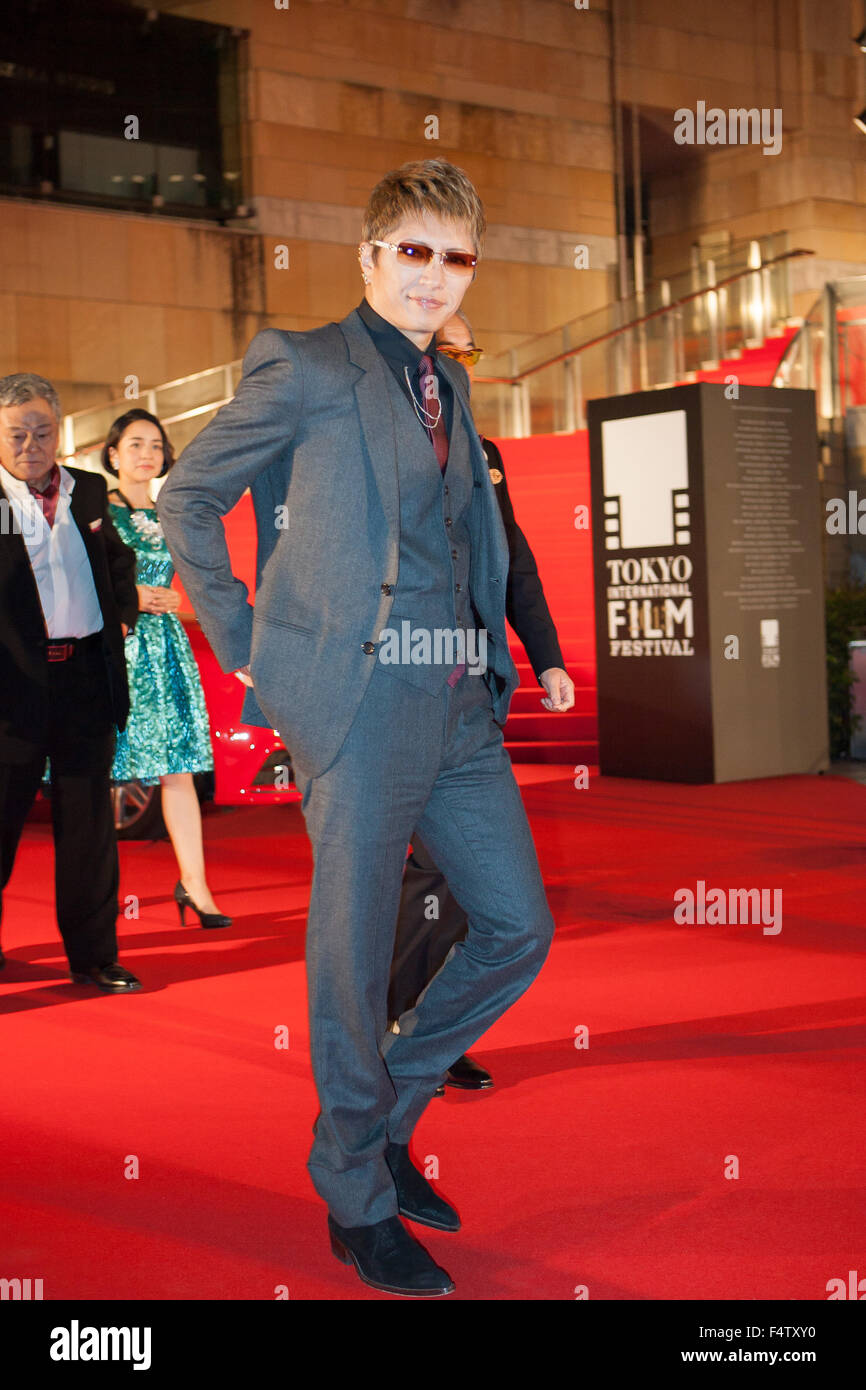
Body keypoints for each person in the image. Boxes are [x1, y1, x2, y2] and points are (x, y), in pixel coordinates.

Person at [158, 159, 555, 1298]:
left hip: (456, 703)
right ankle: (354, 1197)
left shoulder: (451, 382)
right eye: (415, 251)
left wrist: (494, 656)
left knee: (515, 927)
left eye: (456, 255)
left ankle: (383, 1106)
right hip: (358, 704)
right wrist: (246, 649)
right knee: (350, 953)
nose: (435, 275)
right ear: (372, 257)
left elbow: (469, 530)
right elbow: (190, 496)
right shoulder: (307, 364)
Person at [389, 310, 575, 1093]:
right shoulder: (383, 447)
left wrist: (549, 659)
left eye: (470, 347)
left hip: (474, 689)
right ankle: (402, 1021)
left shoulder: (484, 456)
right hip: (400, 689)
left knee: (467, 886)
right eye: (453, 348)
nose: (465, 360)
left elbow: (516, 566)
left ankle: (426, 1027)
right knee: (433, 878)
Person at [0, 372, 141, 991]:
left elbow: (117, 562)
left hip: (84, 678)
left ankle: (93, 956)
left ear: (60, 431)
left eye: (42, 431)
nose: (31, 443)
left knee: (88, 828)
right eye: (16, 433)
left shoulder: (87, 491)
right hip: (13, 690)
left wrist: (125, 616)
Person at [103, 409, 230, 929]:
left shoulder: (172, 511)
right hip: (116, 646)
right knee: (104, 772)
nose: (146, 454)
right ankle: (96, 898)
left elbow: (198, 579)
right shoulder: (95, 511)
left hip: (166, 649)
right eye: (134, 444)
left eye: (155, 445)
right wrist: (130, 596)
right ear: (112, 454)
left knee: (178, 770)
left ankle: (196, 886)